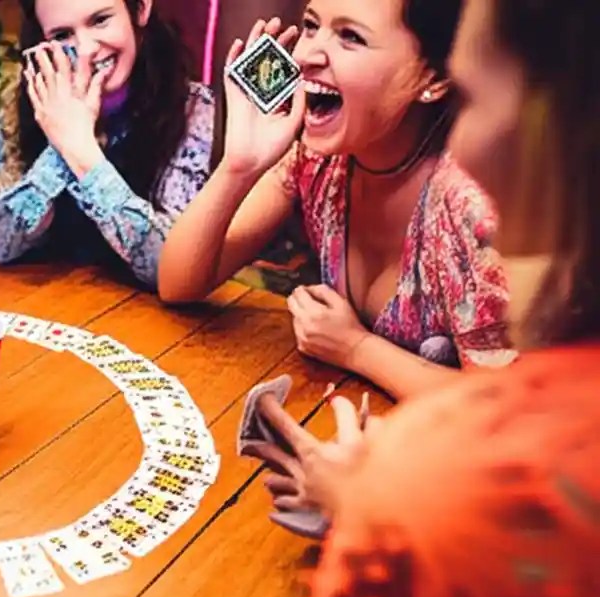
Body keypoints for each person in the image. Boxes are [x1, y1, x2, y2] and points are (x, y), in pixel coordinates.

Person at [255, 0, 600, 597]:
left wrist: (386, 505)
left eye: (477, 97)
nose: (463, 149)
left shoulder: (441, 476)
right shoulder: (317, 166)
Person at [159, 1, 515, 400]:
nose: (305, 55)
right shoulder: (316, 162)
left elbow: (506, 412)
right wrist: (238, 167)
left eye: (350, 37)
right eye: (311, 26)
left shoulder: (472, 207)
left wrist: (355, 348)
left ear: (432, 77)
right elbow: (177, 283)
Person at [0, 0, 215, 290]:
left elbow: (172, 268)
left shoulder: (192, 109)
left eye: (100, 20)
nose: (87, 49)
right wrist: (59, 150)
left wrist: (83, 153)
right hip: (47, 302)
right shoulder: (29, 100)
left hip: (152, 319)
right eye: (62, 35)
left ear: (140, 10)